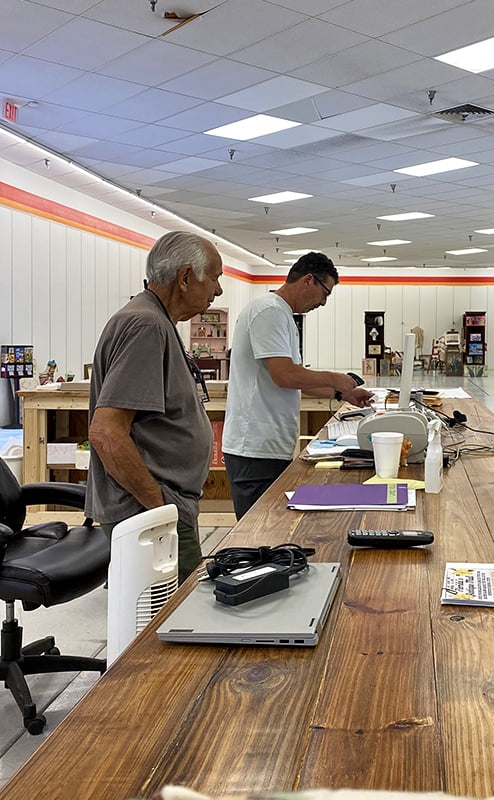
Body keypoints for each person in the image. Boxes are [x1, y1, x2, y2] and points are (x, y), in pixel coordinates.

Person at [85, 231, 224, 583]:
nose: (219, 290)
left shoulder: (155, 320)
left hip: (157, 507)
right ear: (185, 277)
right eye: (215, 278)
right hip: (147, 512)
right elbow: (106, 432)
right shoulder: (146, 325)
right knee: (173, 614)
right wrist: (160, 507)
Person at [222, 251, 373, 519]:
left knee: (271, 527)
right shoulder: (269, 311)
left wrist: (342, 393)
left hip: (269, 446)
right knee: (258, 531)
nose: (323, 303)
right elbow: (285, 375)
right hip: (255, 449)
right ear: (308, 280)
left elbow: (297, 380)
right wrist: (332, 377)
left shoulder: (282, 314)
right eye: (325, 293)